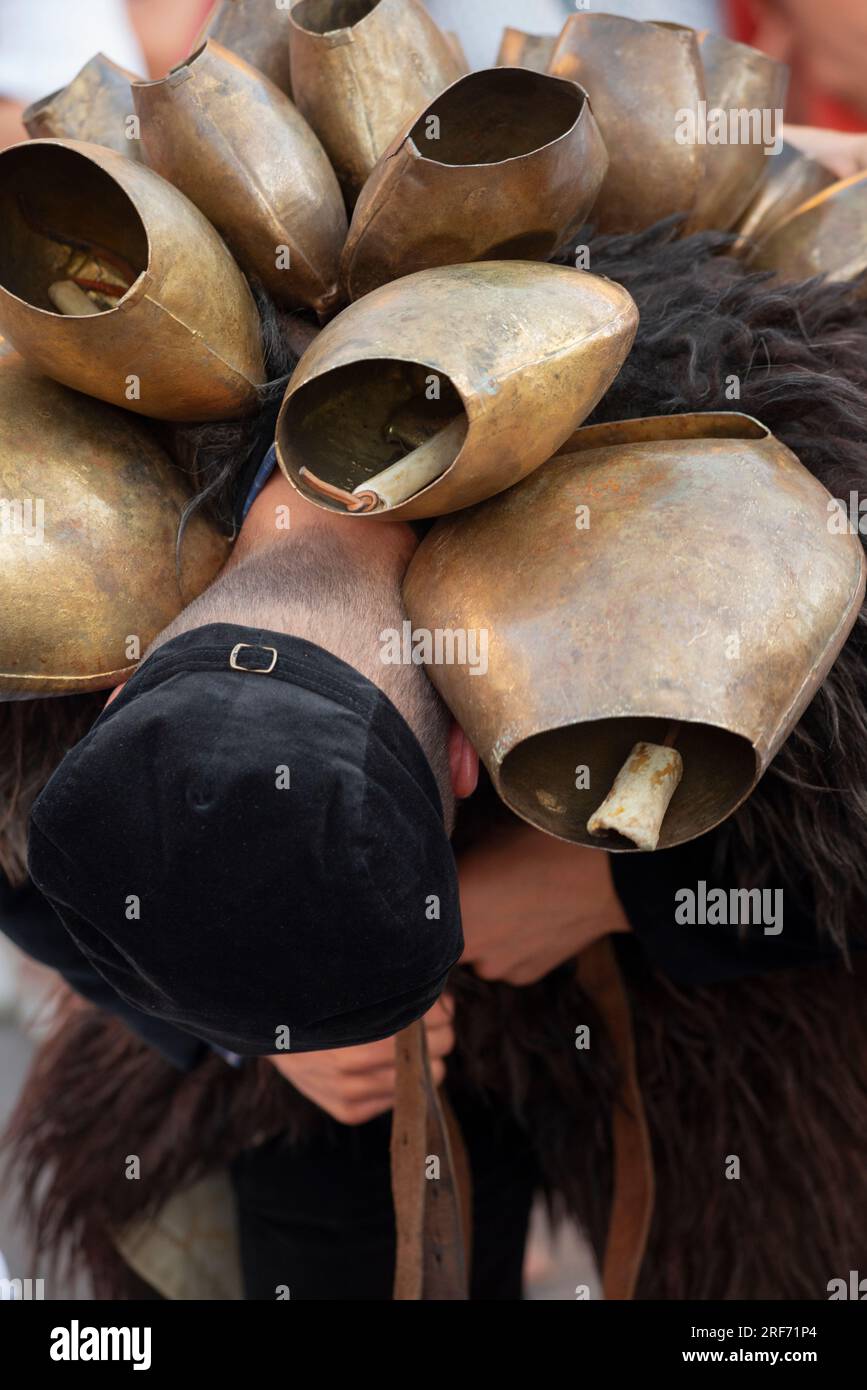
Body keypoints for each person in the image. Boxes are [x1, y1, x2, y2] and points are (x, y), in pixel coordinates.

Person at [4, 211, 867, 1300]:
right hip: (310, 1087)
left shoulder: (764, 493)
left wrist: (616, 888)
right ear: (114, 688)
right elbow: (35, 868)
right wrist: (256, 1034)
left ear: (468, 752)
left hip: (682, 1005)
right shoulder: (38, 587)